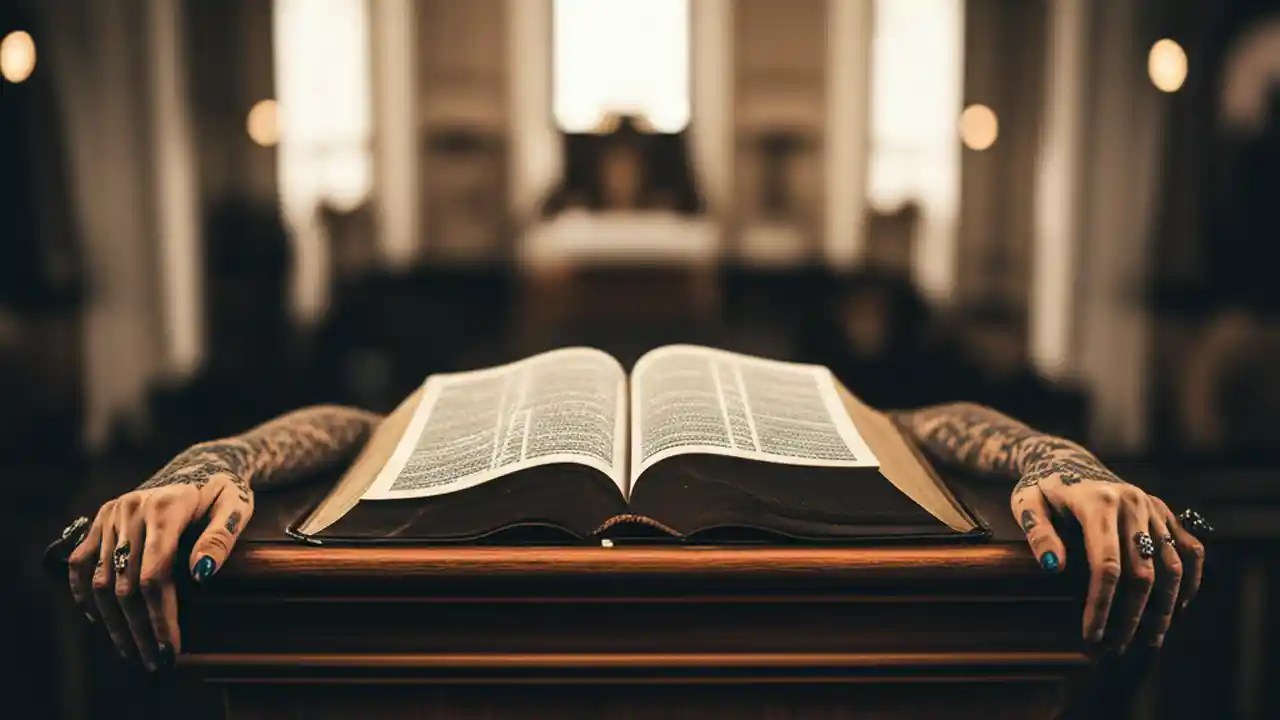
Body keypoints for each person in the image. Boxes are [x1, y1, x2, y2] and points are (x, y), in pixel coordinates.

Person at [58, 402, 1207, 675]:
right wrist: (200, 467)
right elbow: (357, 431)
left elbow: (917, 427)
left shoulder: (821, 406)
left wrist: (1064, 463)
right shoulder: (439, 412)